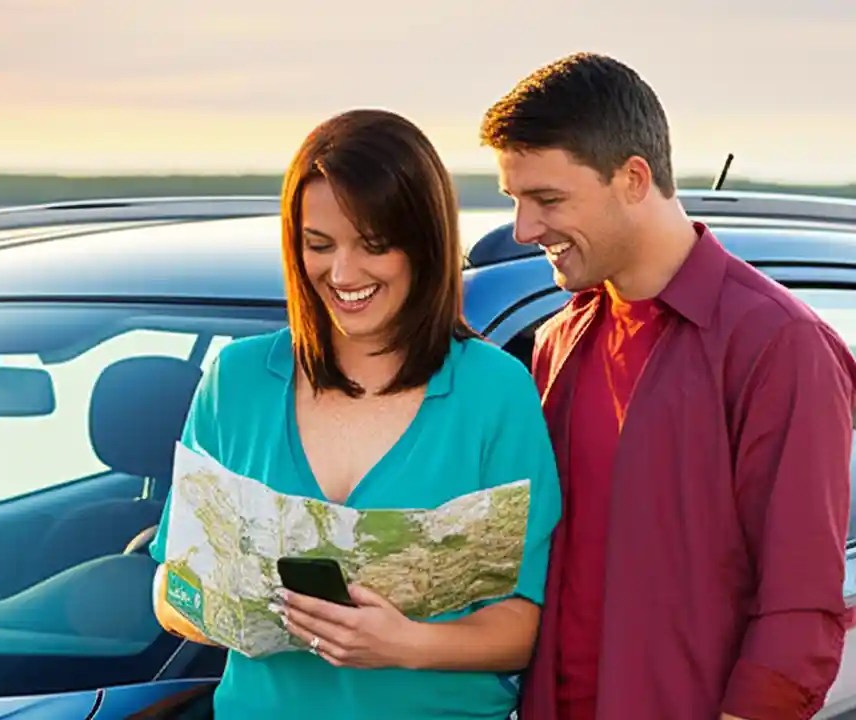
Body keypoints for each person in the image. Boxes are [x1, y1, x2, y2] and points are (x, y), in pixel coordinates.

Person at [147, 108, 562, 719]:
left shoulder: (495, 393)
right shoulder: (234, 383)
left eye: (373, 245)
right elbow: (168, 589)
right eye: (319, 245)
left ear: (423, 243)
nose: (342, 274)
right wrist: (240, 607)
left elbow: (524, 623)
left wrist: (405, 644)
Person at [479, 52, 856, 720]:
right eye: (516, 200)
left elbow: (800, 614)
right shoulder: (560, 340)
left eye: (548, 199)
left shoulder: (779, 346)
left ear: (632, 178)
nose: (525, 229)